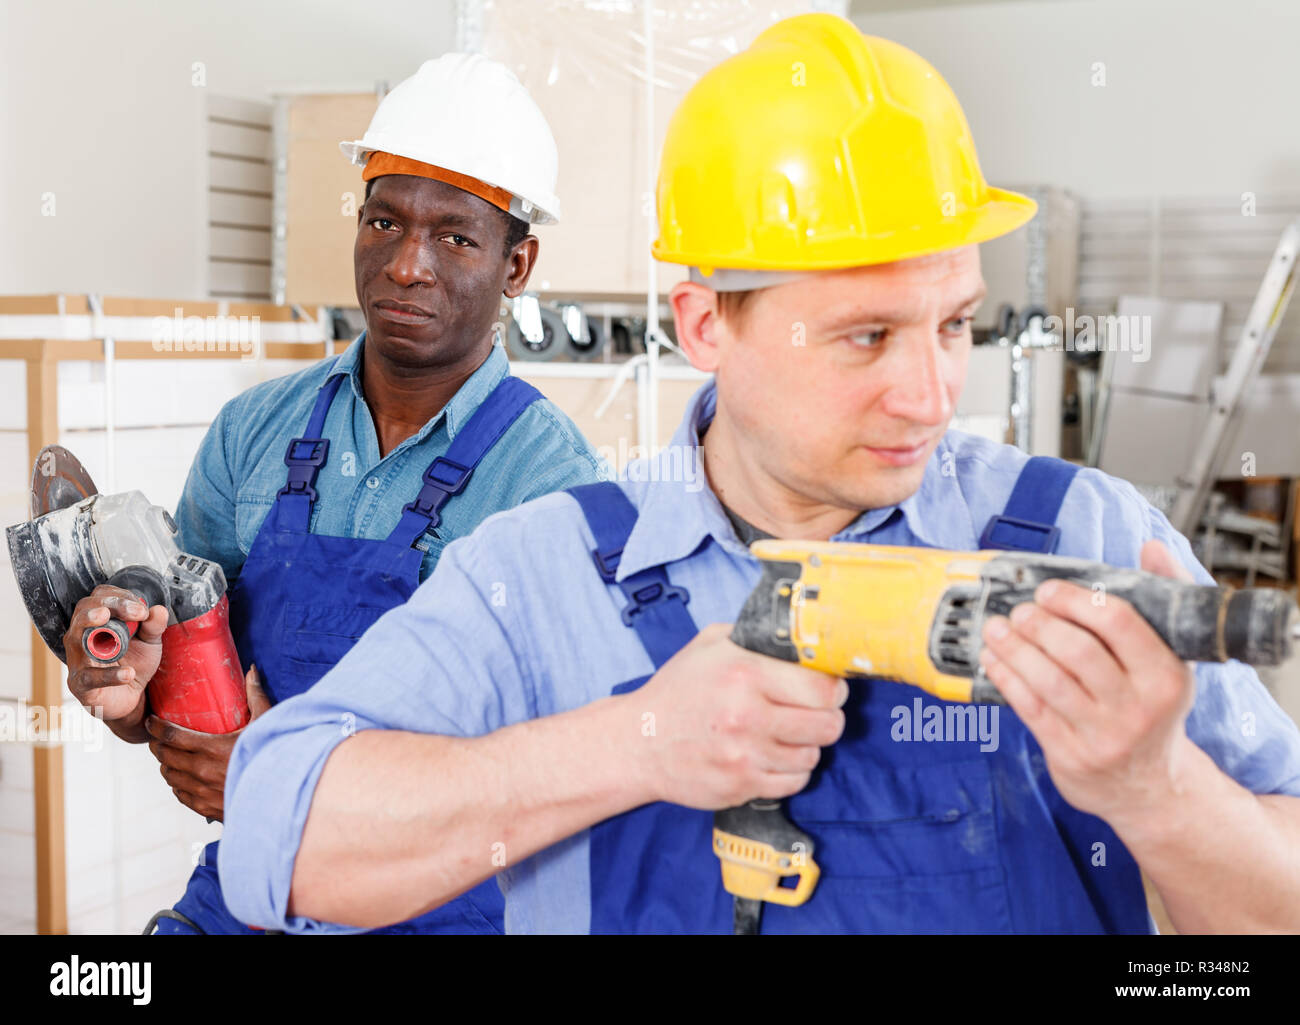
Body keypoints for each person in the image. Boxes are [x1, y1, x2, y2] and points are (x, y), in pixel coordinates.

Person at [220, 13, 1300, 933]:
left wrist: (1158, 794)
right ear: (705, 324)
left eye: (955, 324)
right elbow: (278, 835)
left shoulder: (1088, 539)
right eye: (865, 336)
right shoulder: (550, 571)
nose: (930, 396)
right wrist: (637, 740)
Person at [59, 52, 606, 935]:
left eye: (456, 237)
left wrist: (291, 791)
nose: (406, 266)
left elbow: (561, 780)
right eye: (384, 222)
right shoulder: (253, 431)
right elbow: (199, 713)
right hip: (250, 899)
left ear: (518, 263)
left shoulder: (552, 483)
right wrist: (132, 688)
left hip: (450, 916)